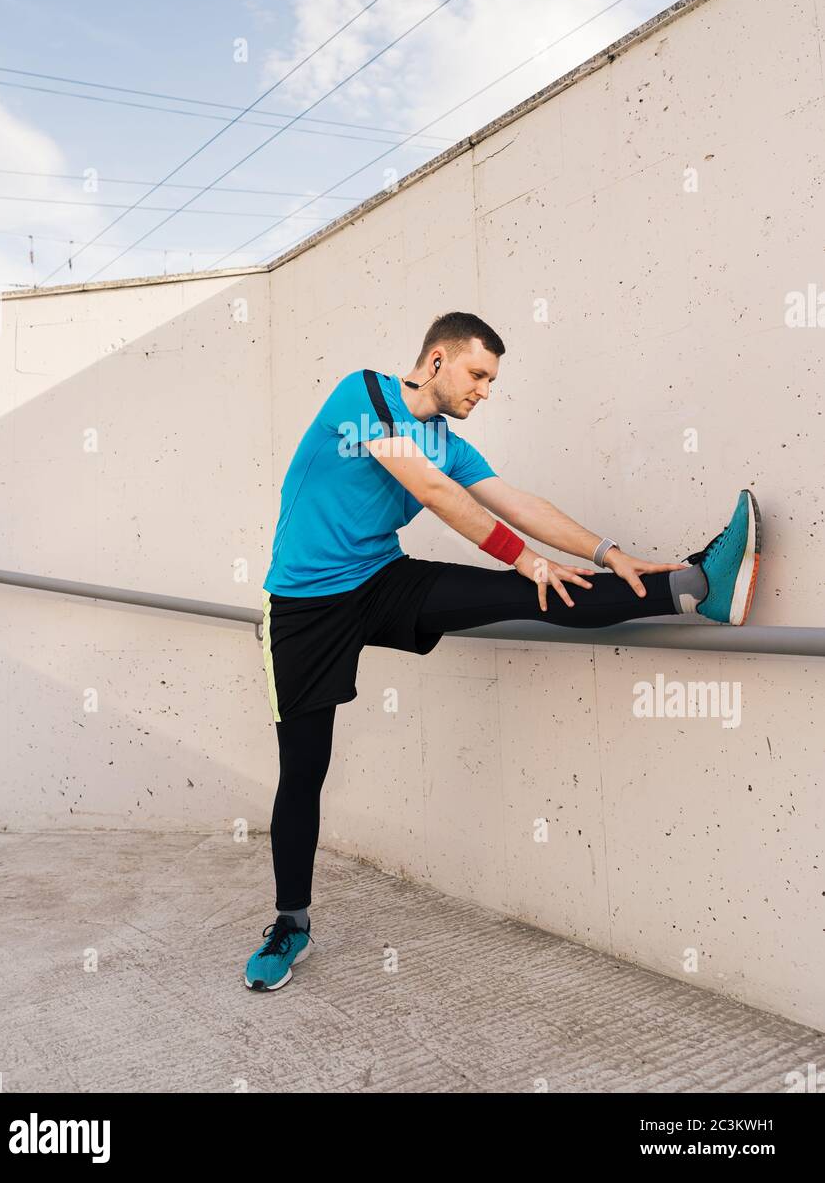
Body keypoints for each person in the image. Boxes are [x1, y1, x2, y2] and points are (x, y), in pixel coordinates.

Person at [244, 311, 761, 990]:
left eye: (491, 380)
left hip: (380, 580)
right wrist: (525, 558)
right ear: (436, 361)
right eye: (478, 374)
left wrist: (606, 552)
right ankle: (292, 924)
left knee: (533, 592)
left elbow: (516, 502)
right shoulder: (362, 395)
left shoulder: (448, 442)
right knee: (305, 771)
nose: (485, 390)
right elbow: (429, 491)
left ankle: (693, 585)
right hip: (305, 606)